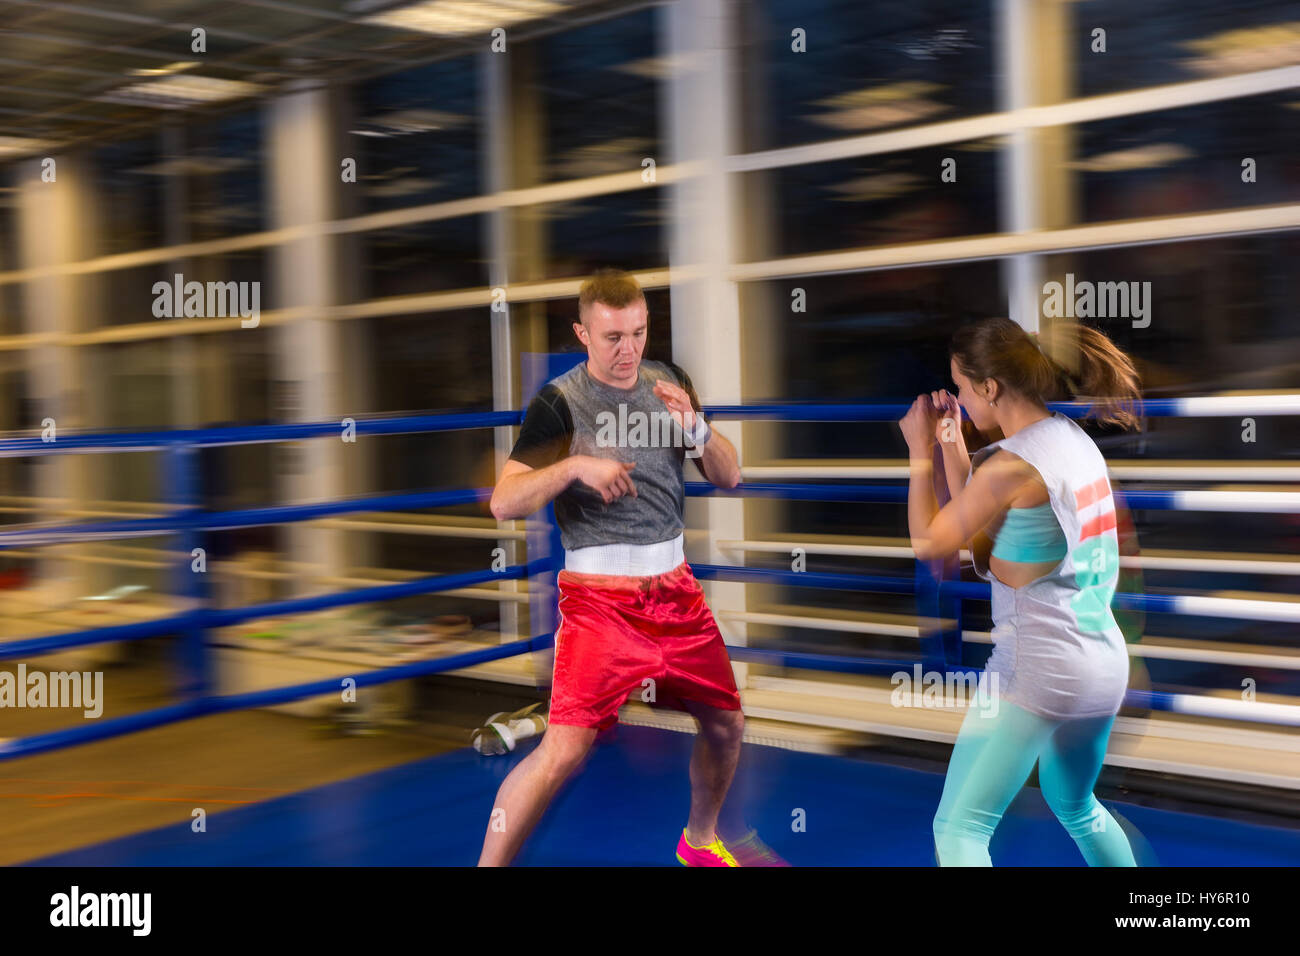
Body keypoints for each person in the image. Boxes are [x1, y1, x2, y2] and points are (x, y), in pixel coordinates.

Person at [478, 269, 778, 867]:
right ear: (582, 333)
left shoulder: (669, 382)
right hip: (599, 602)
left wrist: (695, 427)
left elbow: (730, 474)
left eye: (639, 333)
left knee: (727, 724)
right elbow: (502, 502)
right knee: (565, 749)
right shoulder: (559, 401)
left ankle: (698, 842)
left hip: (676, 593)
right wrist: (571, 468)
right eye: (613, 336)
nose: (629, 350)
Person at [899, 316, 1142, 866]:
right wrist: (952, 444)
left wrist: (919, 452)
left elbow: (931, 543)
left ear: (989, 388)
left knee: (959, 828)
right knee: (1077, 806)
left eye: (962, 387)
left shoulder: (1009, 465)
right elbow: (982, 521)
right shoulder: (1066, 439)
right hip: (1099, 663)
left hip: (1038, 669)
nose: (959, 398)